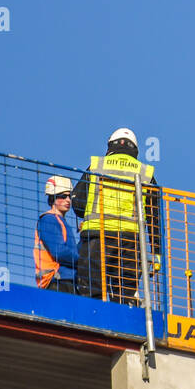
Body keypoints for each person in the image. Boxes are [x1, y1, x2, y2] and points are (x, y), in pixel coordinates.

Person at [72, 128, 161, 302]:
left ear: (110, 146)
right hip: (130, 241)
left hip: (97, 237)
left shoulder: (97, 166)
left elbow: (77, 203)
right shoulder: (146, 173)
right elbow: (154, 218)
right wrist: (156, 253)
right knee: (125, 295)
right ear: (134, 149)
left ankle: (93, 325)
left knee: (92, 292)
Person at [34, 176, 80, 293]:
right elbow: (59, 252)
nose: (68, 200)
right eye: (63, 196)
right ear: (53, 198)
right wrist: (83, 261)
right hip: (56, 280)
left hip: (67, 280)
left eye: (69, 196)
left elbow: (71, 252)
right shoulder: (49, 220)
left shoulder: (62, 222)